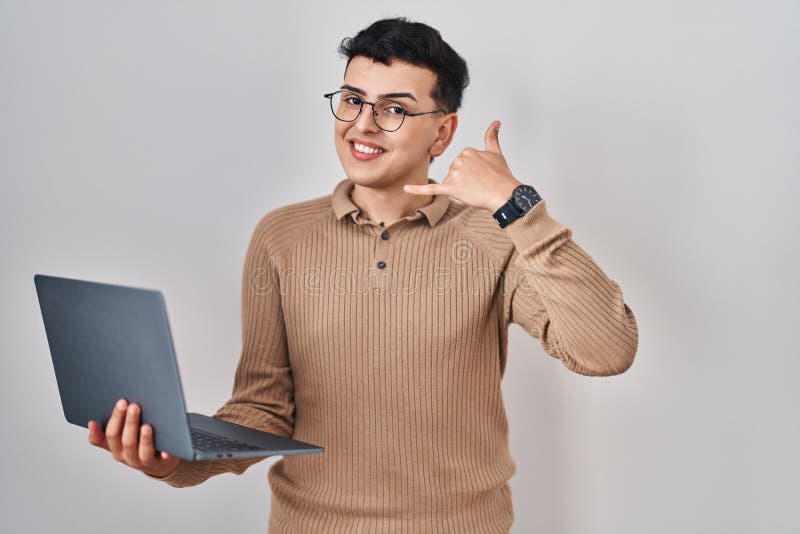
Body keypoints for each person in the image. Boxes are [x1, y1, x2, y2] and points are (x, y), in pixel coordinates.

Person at [88, 16, 639, 533]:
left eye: (394, 109)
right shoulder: (281, 235)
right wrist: (176, 460)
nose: (363, 125)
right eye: (352, 100)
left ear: (443, 134)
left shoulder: (496, 235)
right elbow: (264, 407)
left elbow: (606, 353)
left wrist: (517, 208)